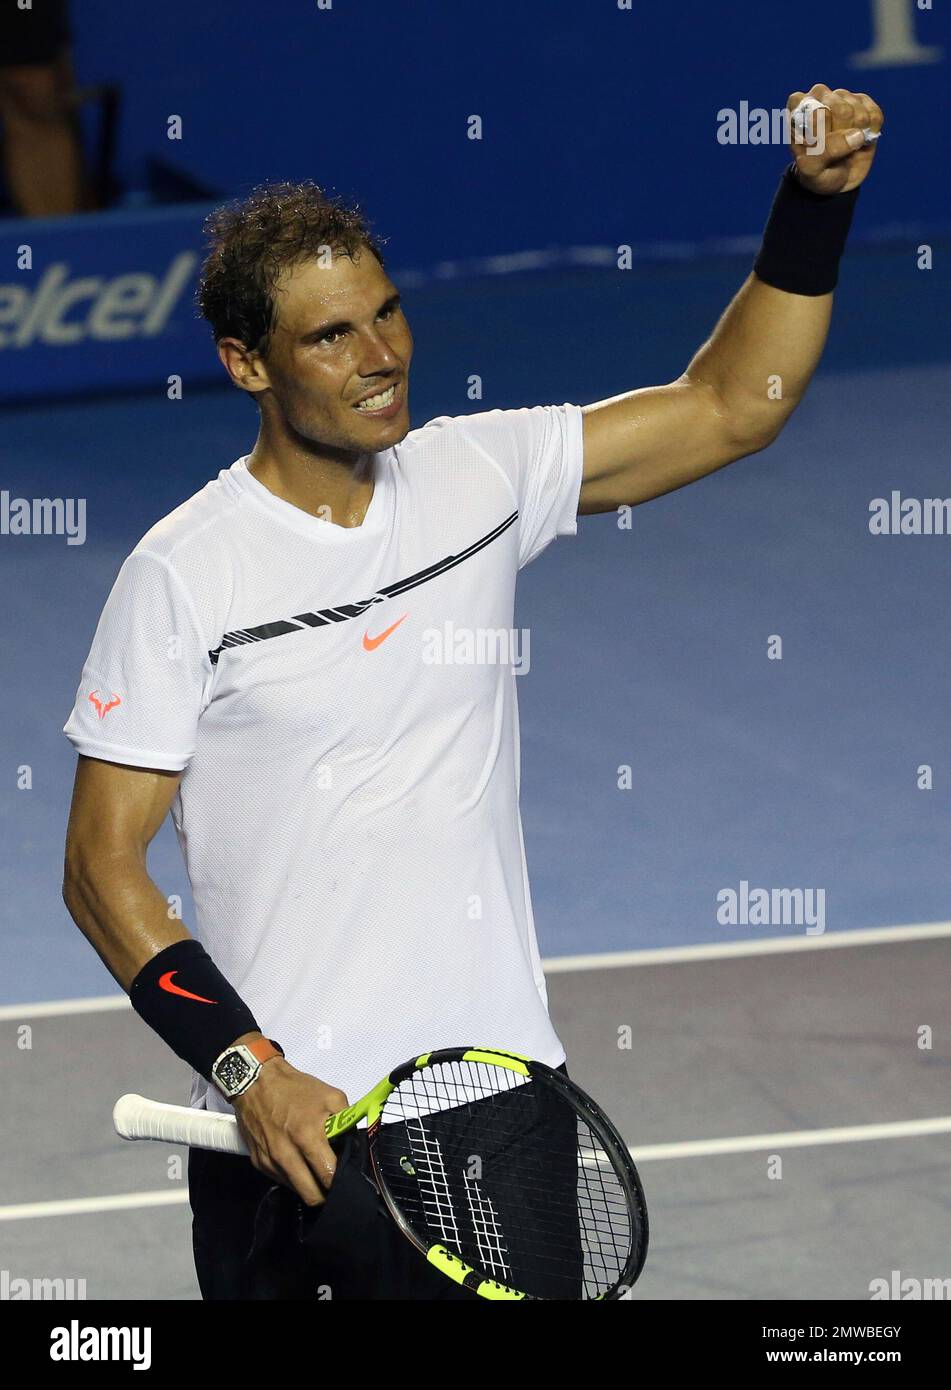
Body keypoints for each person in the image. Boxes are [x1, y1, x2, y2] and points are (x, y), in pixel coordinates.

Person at [62, 84, 882, 1299]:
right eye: (331, 335)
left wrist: (810, 209)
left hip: (496, 1102)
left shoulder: (477, 475)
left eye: (386, 312)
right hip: (288, 1128)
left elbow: (726, 412)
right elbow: (100, 867)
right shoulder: (184, 575)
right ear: (245, 364)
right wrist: (247, 1067)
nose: (383, 353)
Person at [0, 0, 85, 216]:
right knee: (40, 126)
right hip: (29, 38)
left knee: (21, 128)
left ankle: (46, 229)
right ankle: (56, 230)